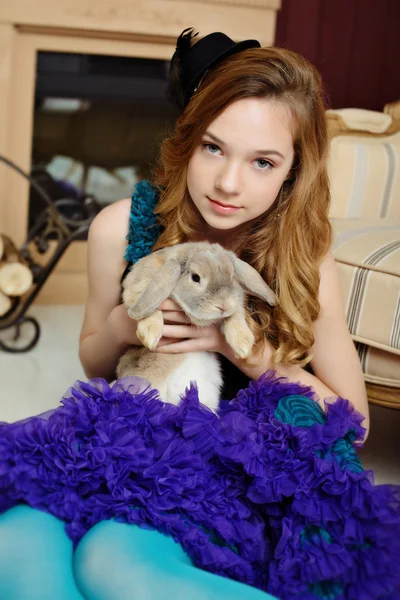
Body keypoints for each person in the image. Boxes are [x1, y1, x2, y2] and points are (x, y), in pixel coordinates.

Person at [1, 29, 399, 600]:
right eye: (213, 147)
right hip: (137, 437)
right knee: (16, 540)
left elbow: (353, 422)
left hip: (247, 465)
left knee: (111, 562)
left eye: (263, 161)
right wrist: (126, 320)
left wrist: (238, 349)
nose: (228, 183)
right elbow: (94, 362)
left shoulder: (306, 252)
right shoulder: (119, 226)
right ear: (186, 140)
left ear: (293, 170)